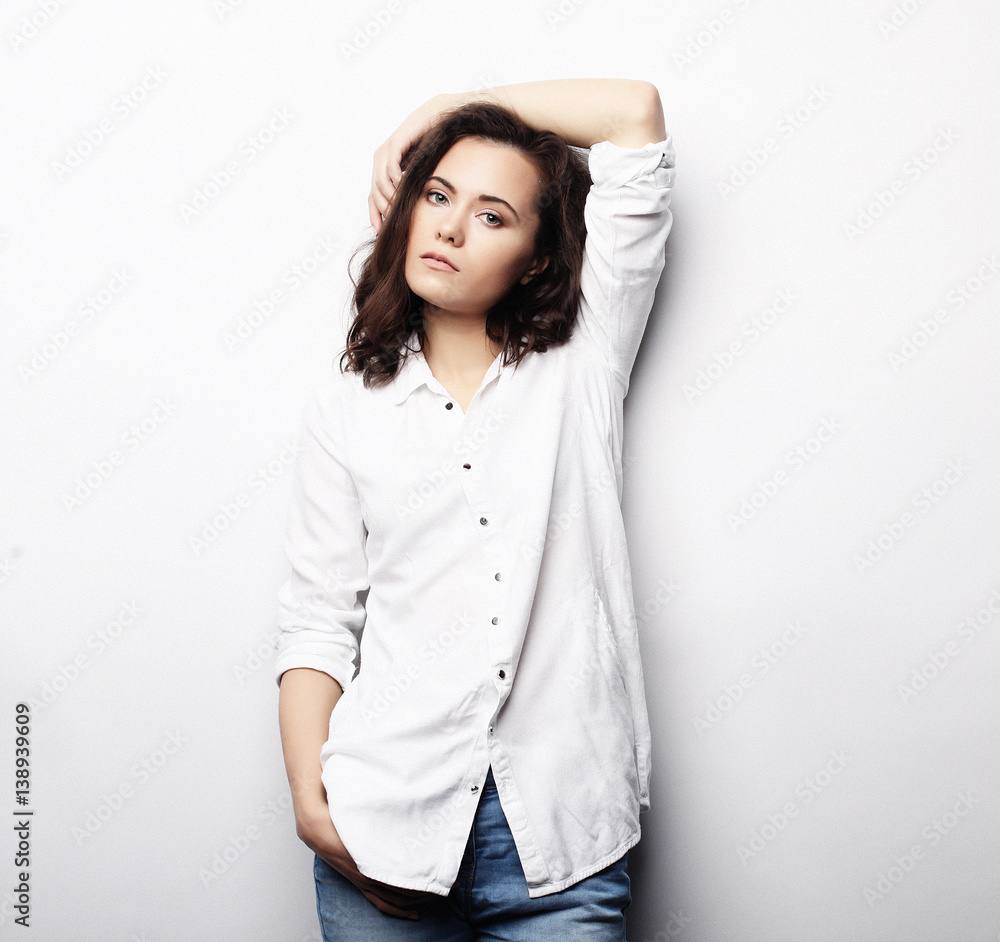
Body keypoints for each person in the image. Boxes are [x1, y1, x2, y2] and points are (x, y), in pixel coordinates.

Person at [274, 78, 675, 941]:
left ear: (536, 255)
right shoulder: (347, 406)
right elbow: (317, 619)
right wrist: (312, 803)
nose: (450, 227)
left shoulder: (584, 360)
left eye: (493, 215)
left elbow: (634, 117)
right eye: (437, 194)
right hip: (381, 828)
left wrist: (443, 111)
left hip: (562, 844)